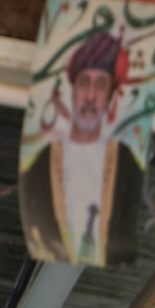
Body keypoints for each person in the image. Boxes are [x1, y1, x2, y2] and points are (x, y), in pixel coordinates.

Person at [20, 28, 142, 267]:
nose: (91, 96)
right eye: (84, 82)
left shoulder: (126, 161)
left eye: (101, 84)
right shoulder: (41, 164)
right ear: (73, 89)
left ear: (110, 95)